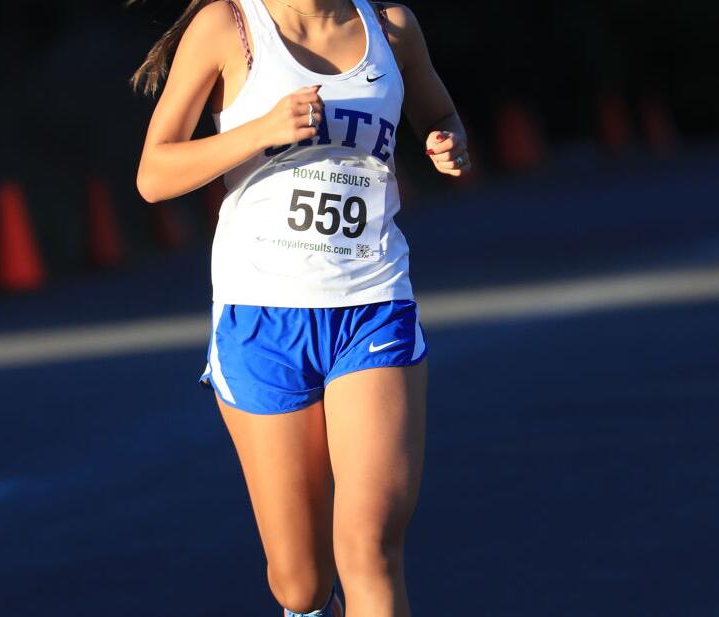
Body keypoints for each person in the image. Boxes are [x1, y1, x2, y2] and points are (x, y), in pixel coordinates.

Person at [131, 0, 468, 614]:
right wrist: (260, 130)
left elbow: (438, 112)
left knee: (369, 546)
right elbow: (153, 174)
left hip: (372, 302)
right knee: (300, 582)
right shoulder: (228, 27)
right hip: (262, 315)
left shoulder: (390, 26)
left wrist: (449, 141)